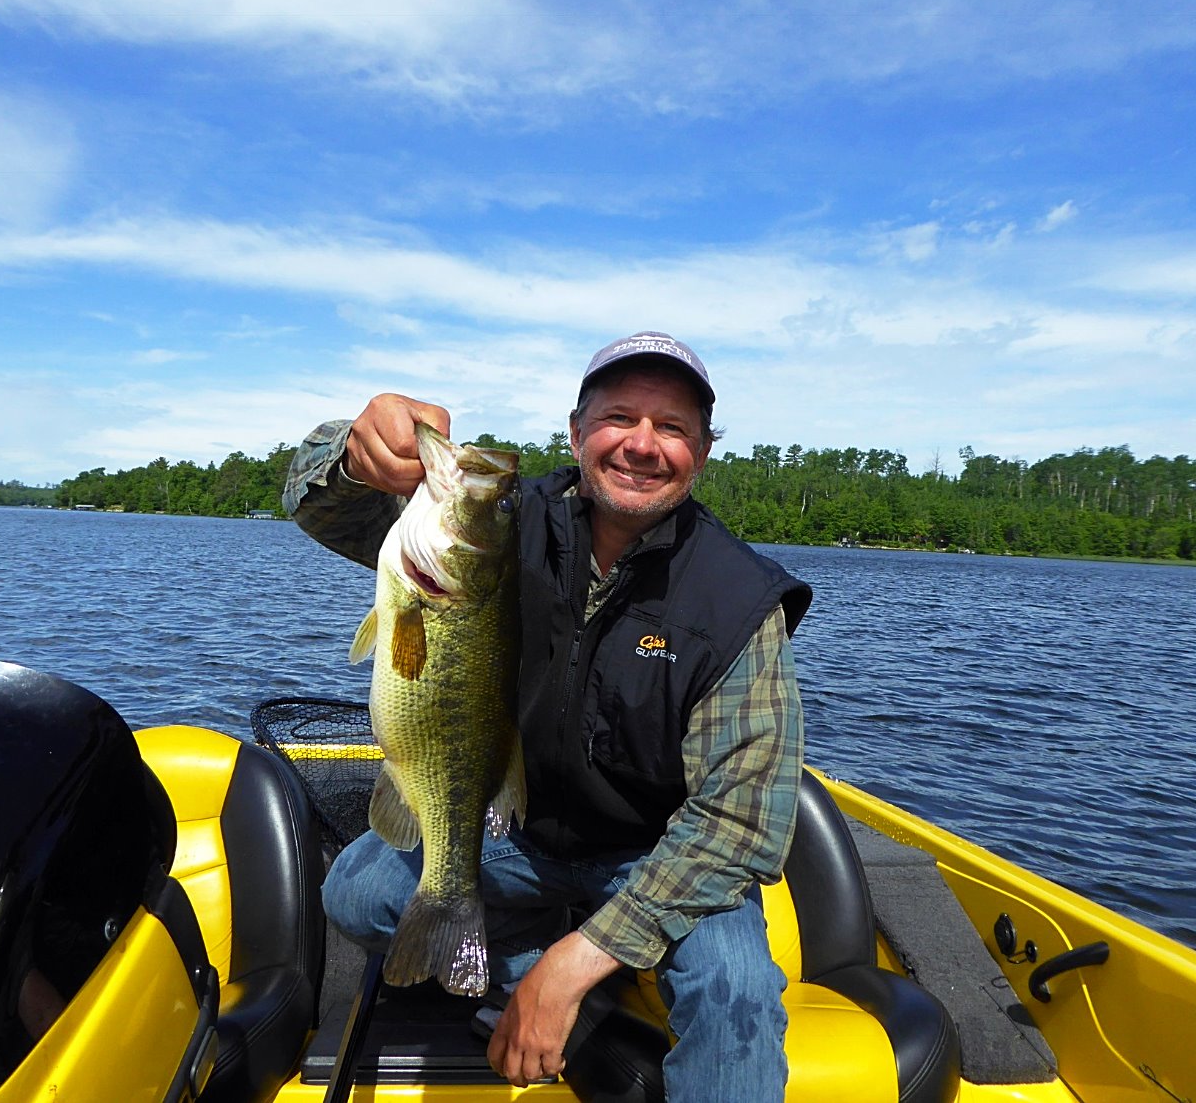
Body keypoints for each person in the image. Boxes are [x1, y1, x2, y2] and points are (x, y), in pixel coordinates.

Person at [283, 331, 812, 1100]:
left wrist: (574, 964)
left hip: (654, 853)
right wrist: (351, 449)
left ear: (702, 452)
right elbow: (313, 504)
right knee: (359, 892)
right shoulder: (486, 520)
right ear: (575, 432)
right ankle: (584, 1010)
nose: (642, 443)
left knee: (735, 987)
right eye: (619, 417)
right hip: (512, 832)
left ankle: (562, 979)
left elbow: (743, 824)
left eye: (671, 428)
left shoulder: (737, 598)